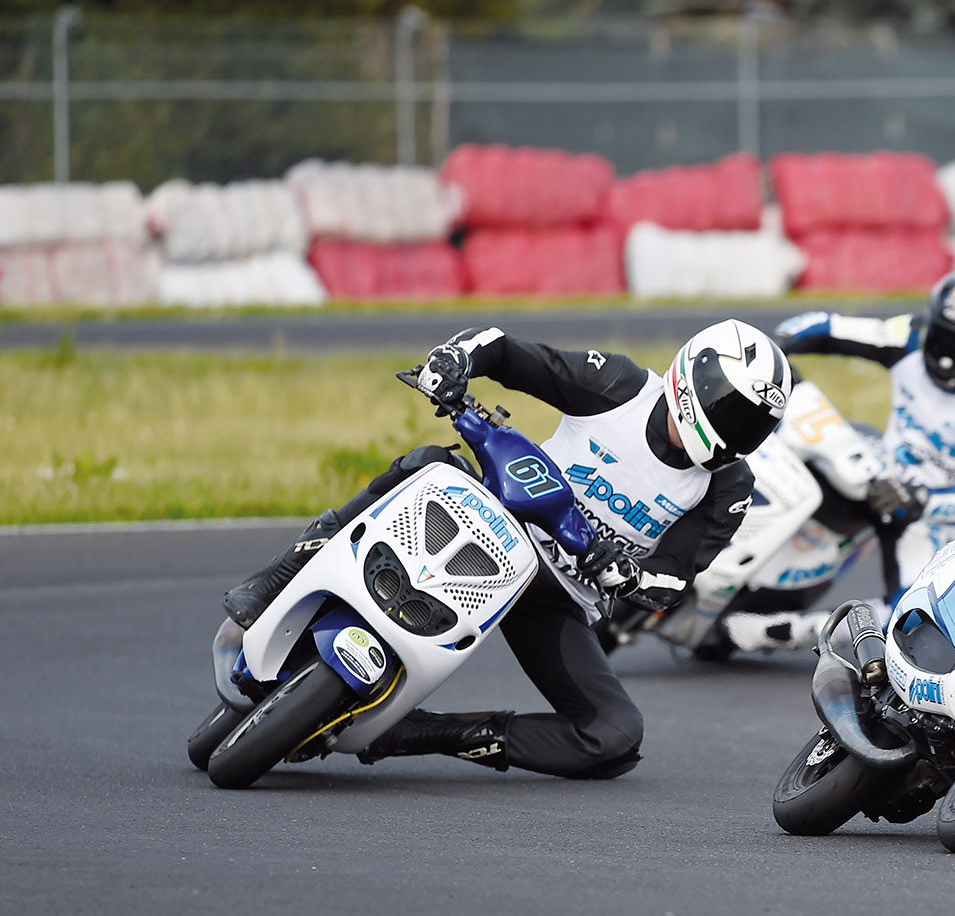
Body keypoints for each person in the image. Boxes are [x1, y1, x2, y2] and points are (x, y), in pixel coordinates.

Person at [219, 320, 791, 777]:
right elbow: (508, 351)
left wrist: (626, 575)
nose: (738, 434)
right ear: (695, 380)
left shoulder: (729, 486)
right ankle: (281, 575)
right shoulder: (619, 385)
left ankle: (419, 733)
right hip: (492, 515)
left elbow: (673, 579)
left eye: (754, 425)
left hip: (557, 591)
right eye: (734, 411)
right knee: (431, 462)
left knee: (614, 736)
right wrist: (454, 362)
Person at [721, 272, 955, 651]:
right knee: (797, 430)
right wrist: (774, 346)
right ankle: (721, 529)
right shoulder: (911, 335)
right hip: (878, 475)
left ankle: (798, 629)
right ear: (932, 322)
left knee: (914, 629)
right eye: (945, 335)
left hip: (931, 518)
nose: (952, 353)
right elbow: (828, 327)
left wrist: (920, 500)